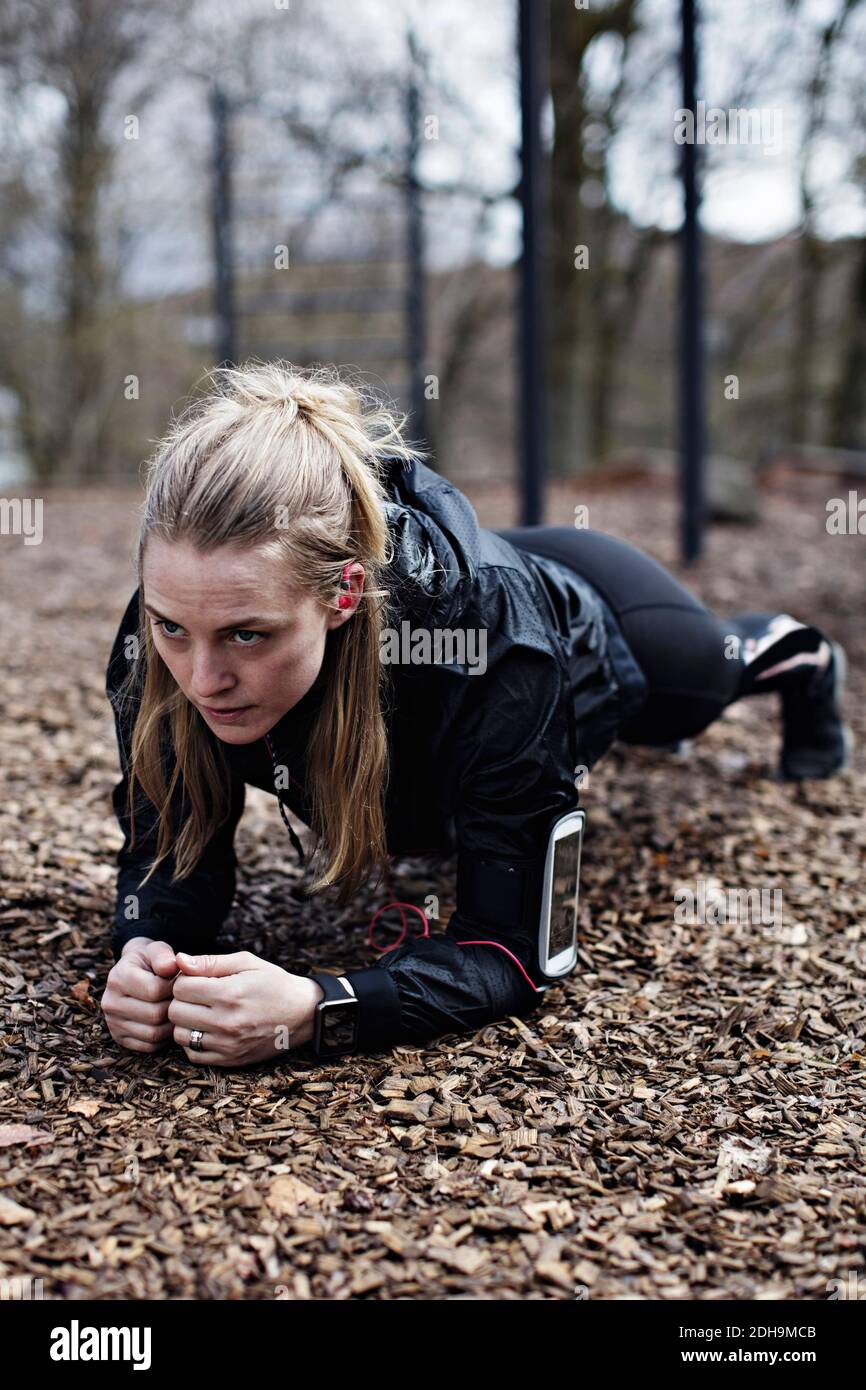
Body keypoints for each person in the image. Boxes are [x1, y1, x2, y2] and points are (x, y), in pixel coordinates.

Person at [100, 360, 852, 1066]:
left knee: (690, 701)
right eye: (172, 627)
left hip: (596, 616)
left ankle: (800, 657)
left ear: (344, 595)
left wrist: (320, 1007)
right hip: (447, 583)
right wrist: (147, 943)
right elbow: (166, 851)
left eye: (247, 635)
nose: (202, 680)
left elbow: (519, 951)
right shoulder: (178, 615)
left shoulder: (491, 650)